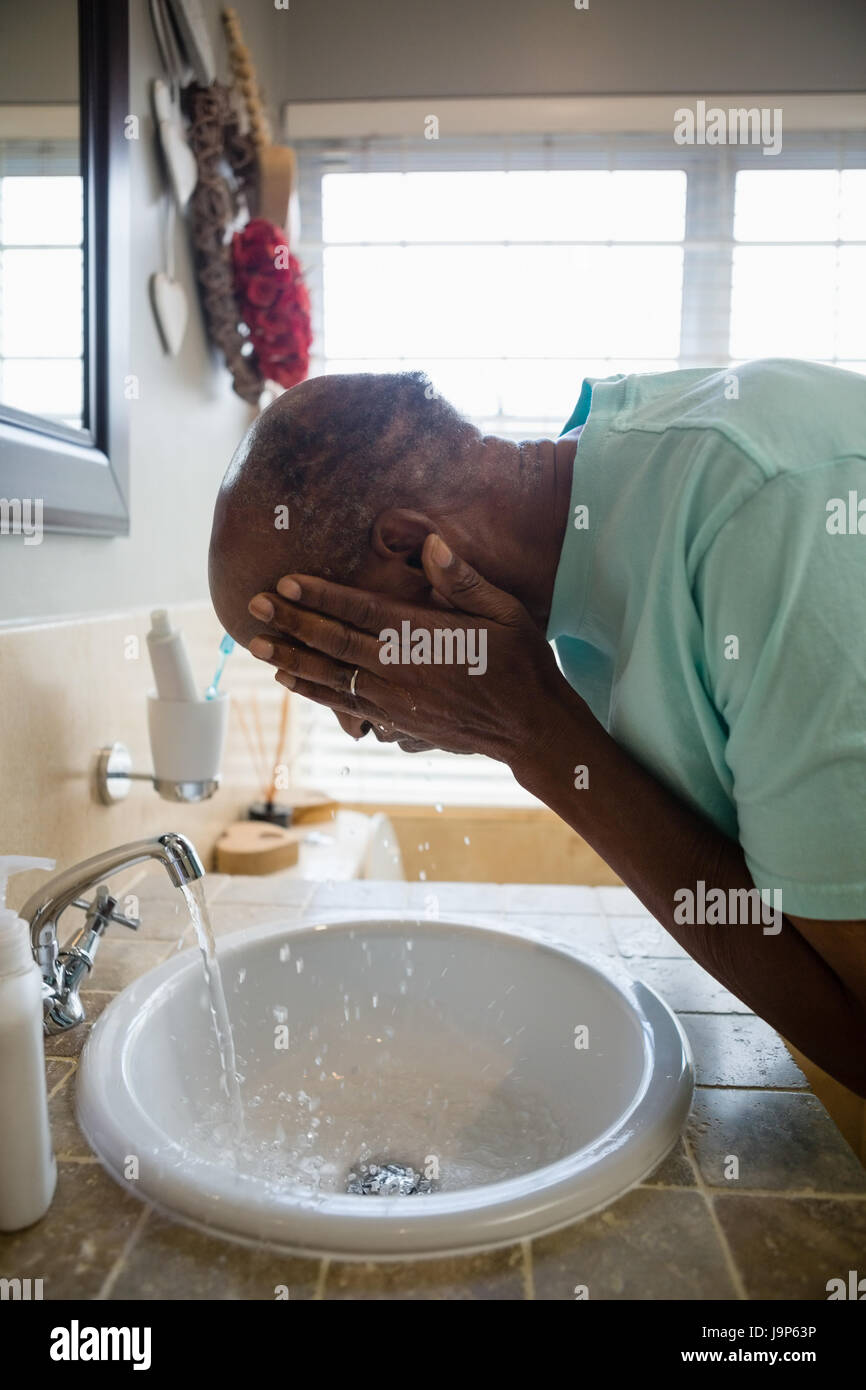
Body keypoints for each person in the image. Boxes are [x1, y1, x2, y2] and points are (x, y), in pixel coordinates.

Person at [209, 361, 866, 1096]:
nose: (352, 721)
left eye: (331, 658)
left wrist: (536, 734)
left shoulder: (764, 511)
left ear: (412, 550)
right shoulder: (594, 576)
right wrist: (532, 727)